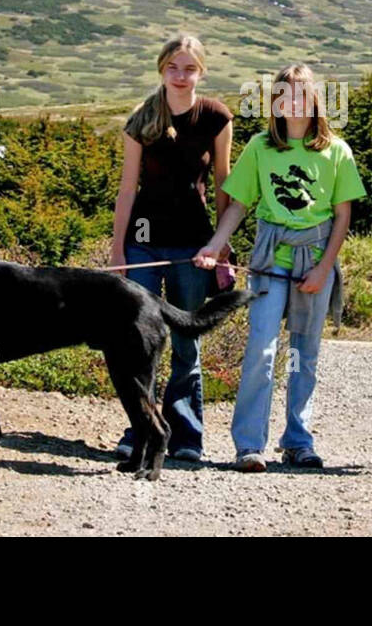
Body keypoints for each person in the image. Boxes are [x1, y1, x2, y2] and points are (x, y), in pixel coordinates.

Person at [194, 63, 366, 472]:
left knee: (304, 352)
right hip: (270, 258)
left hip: (316, 258)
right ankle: (249, 445)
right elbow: (239, 204)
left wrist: (325, 269)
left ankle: (298, 441)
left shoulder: (336, 151)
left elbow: (343, 217)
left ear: (314, 100)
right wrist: (215, 247)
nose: (293, 102)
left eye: (302, 94)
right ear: (275, 102)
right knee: (262, 348)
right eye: (284, 94)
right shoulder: (260, 147)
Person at [111, 34, 233, 461]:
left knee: (185, 341)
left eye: (189, 69)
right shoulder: (141, 118)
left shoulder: (216, 116)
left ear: (201, 71)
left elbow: (223, 183)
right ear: (161, 69)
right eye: (172, 68)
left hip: (193, 246)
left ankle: (186, 437)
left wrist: (222, 246)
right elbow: (128, 190)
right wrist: (118, 251)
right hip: (143, 243)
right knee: (139, 343)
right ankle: (139, 430)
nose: (180, 77)